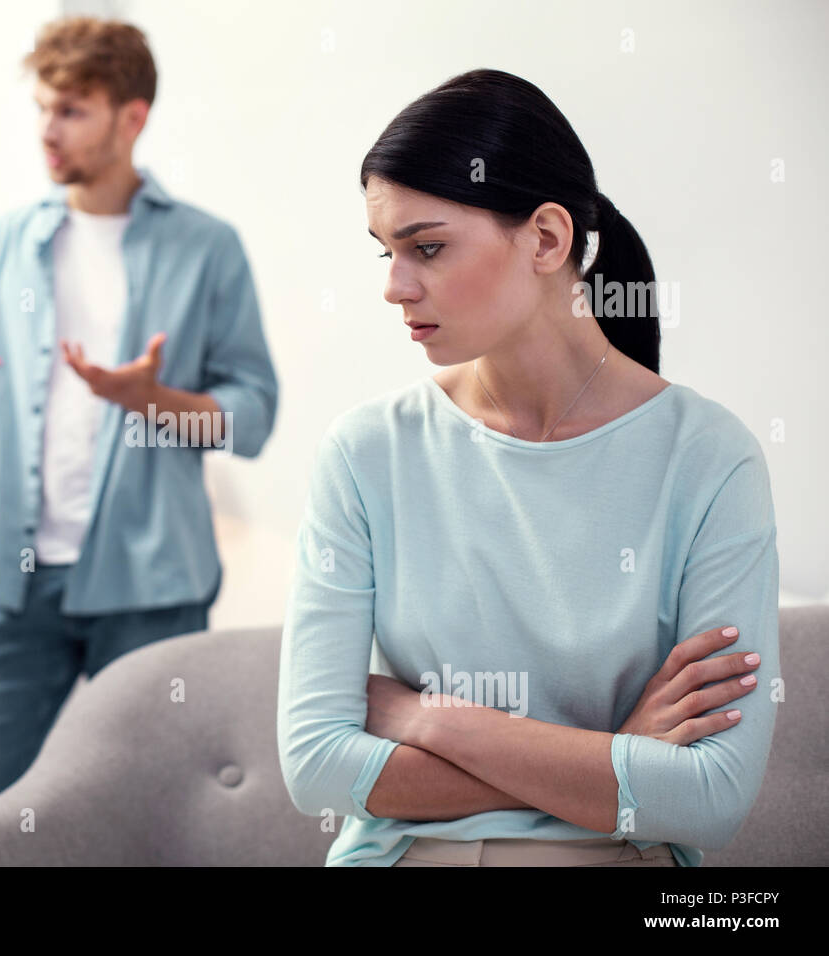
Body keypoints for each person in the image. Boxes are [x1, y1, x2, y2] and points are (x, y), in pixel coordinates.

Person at [277, 69, 780, 867]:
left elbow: (711, 798)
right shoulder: (365, 451)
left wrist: (434, 721)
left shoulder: (710, 459)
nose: (392, 286)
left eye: (427, 247)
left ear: (547, 239)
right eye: (386, 251)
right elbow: (314, 767)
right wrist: (612, 755)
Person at [0, 16, 279, 807]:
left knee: (157, 816)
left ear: (132, 117)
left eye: (72, 110)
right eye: (43, 107)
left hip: (156, 588)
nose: (48, 130)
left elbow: (253, 414)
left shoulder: (208, 250)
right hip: (13, 586)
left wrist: (156, 402)